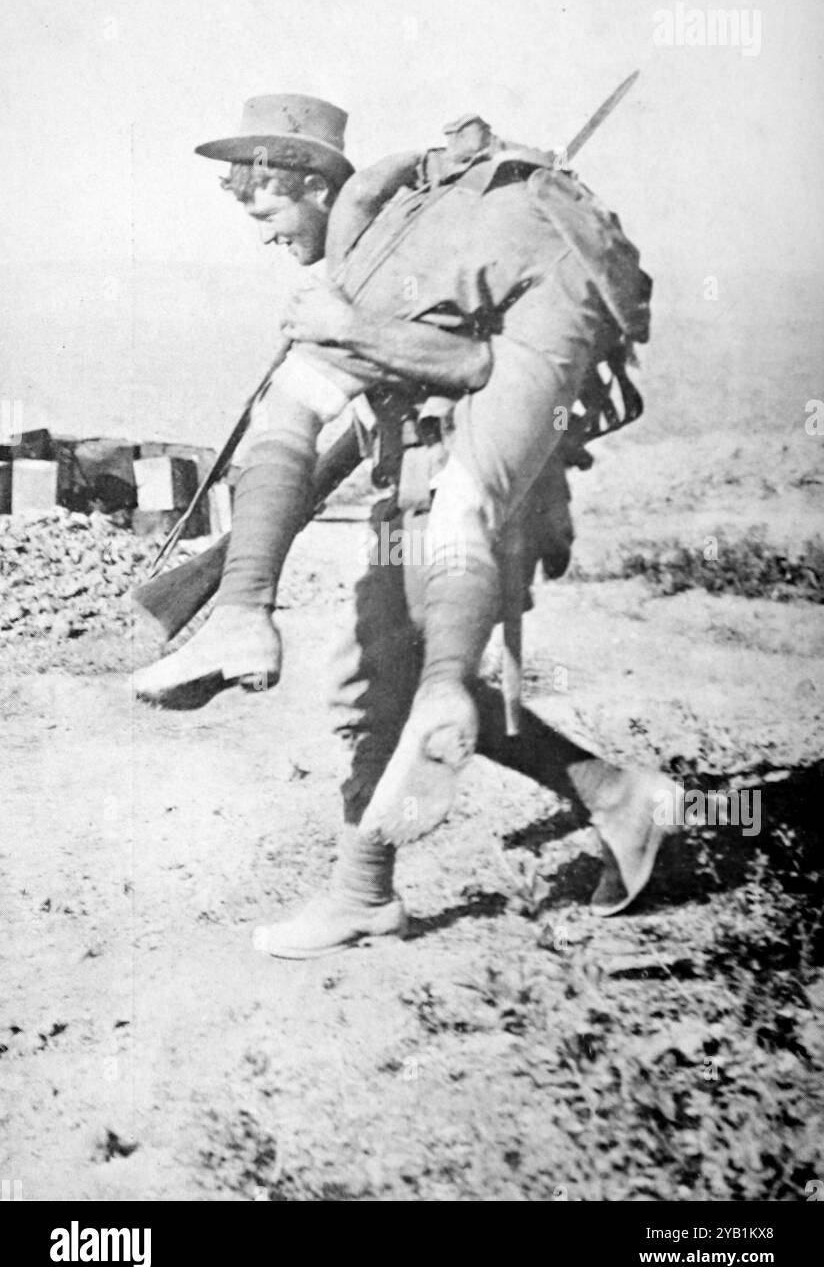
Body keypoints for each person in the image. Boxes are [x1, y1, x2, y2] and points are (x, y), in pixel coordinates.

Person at [136, 93, 688, 952]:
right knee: (409, 676)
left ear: (317, 184)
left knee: (393, 676)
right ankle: (616, 797)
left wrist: (353, 335)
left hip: (478, 487)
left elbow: (478, 367)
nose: (265, 234)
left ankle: (365, 890)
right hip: (418, 480)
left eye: (271, 207)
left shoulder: (407, 239)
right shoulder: (380, 244)